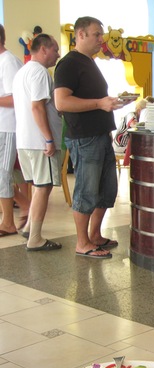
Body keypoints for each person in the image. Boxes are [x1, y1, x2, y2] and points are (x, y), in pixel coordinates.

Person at [54, 16, 133, 258]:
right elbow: (61, 102)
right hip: (84, 137)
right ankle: (82, 242)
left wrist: (111, 103)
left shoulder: (89, 62)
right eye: (96, 34)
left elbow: (94, 100)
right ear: (80, 35)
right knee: (87, 191)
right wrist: (100, 103)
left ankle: (95, 235)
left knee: (107, 190)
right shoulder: (69, 64)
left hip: (100, 134)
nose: (101, 39)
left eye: (101, 35)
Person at [13, 33, 63, 251]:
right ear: (43, 49)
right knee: (43, 187)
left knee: (38, 186)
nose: (57, 55)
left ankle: (29, 229)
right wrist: (49, 138)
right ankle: (35, 238)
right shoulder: (40, 72)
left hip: (25, 140)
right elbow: (37, 107)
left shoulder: (22, 72)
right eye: (55, 50)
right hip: (39, 141)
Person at [0, 24, 31, 237]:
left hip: (7, 127)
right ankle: (26, 204)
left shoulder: (8, 62)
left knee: (2, 175)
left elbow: (15, 99)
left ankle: (8, 222)